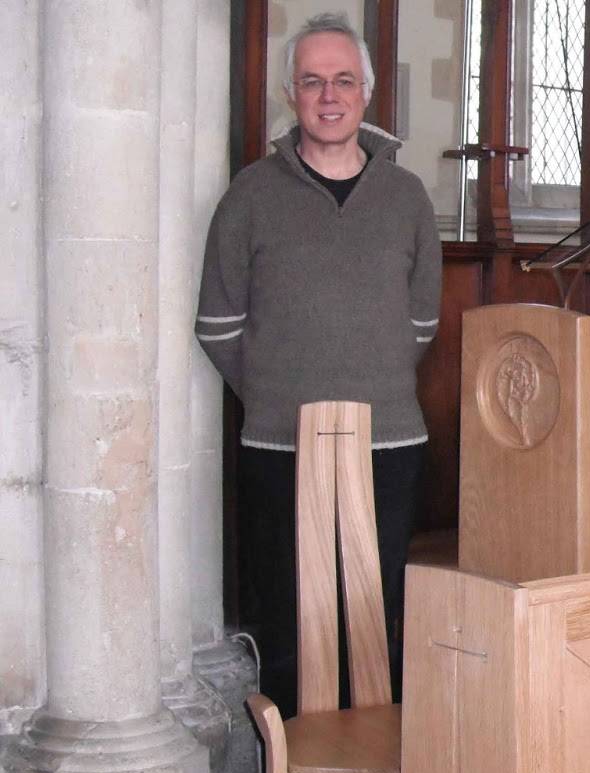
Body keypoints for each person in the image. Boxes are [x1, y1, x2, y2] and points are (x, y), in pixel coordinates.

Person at [195, 12, 442, 716]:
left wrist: (364, 375)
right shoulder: (250, 196)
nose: (328, 96)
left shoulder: (407, 197)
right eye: (311, 82)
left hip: (389, 444)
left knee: (377, 621)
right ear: (289, 93)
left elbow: (421, 321)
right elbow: (217, 323)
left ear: (366, 91)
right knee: (288, 627)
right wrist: (278, 392)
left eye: (342, 80)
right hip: (280, 445)